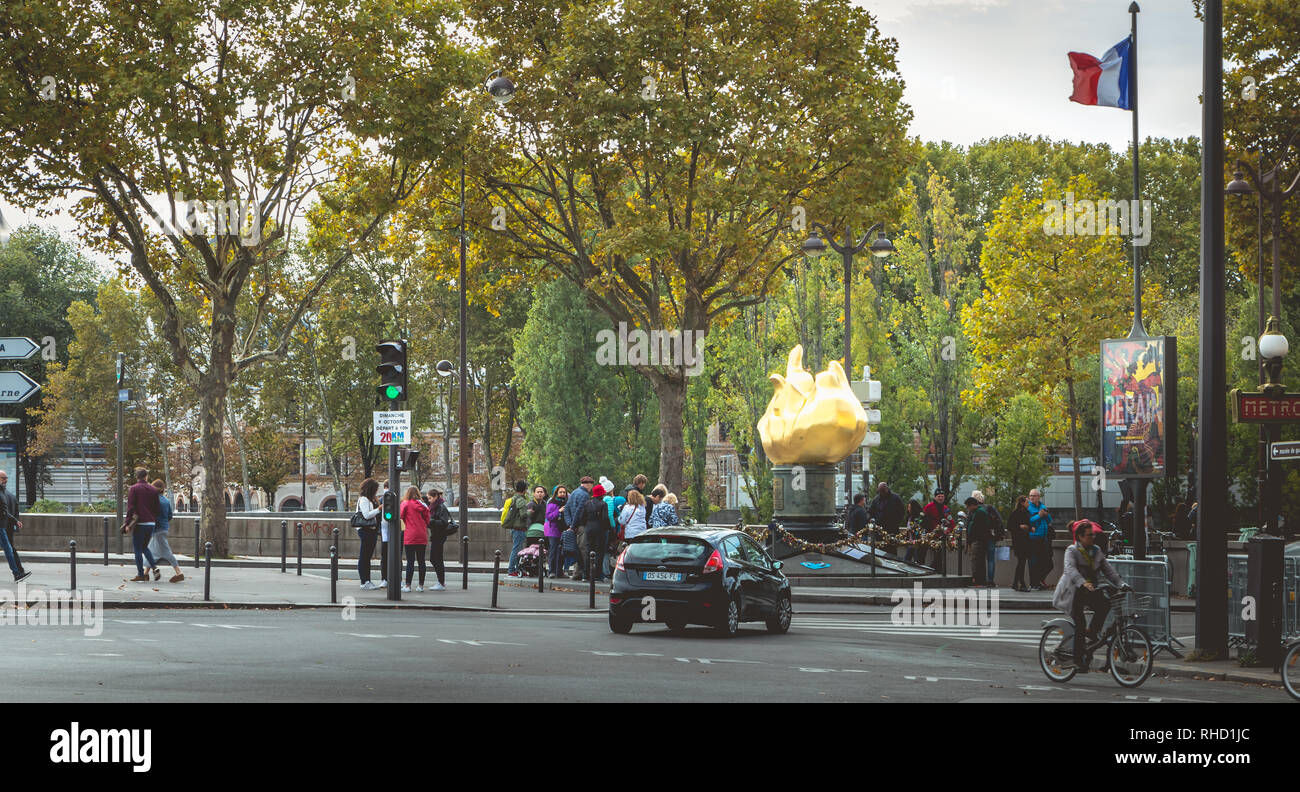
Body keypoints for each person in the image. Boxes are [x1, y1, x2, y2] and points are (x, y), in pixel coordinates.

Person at [1052, 520, 1129, 670]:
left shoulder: (1096, 550)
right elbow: (1070, 570)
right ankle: (1077, 660)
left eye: (1093, 534)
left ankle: (1092, 632)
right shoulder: (1072, 550)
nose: (1092, 537)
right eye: (1089, 535)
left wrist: (1121, 584)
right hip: (1073, 591)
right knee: (1080, 624)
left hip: (1090, 590)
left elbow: (1109, 571)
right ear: (1080, 537)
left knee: (1105, 604)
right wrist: (1082, 582)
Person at [124, 468, 159, 582]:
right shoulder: (153, 490)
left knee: (138, 549)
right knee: (144, 547)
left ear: (137, 477)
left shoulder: (134, 489)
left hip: (140, 523)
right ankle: (154, 567)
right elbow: (156, 507)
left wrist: (127, 523)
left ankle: (140, 574)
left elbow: (131, 508)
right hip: (151, 523)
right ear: (146, 476)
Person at [147, 479, 185, 583]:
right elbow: (170, 515)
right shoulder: (166, 500)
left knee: (166, 551)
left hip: (157, 529)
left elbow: (151, 515)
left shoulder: (154, 501)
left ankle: (179, 572)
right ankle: (146, 573)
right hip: (164, 528)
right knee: (151, 550)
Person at [0, 471, 31, 583]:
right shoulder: (5, 493)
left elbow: (5, 511)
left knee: (9, 549)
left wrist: (15, 521)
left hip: (4, 527)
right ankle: (17, 573)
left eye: (6, 478)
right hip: (2, 527)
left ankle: (18, 573)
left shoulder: (5, 493)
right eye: (4, 478)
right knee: (9, 550)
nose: (6, 480)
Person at [579, 484, 614, 582]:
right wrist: (608, 528)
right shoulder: (603, 504)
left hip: (589, 528)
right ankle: (597, 575)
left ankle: (585, 575)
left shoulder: (587, 503)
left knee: (588, 551)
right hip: (600, 529)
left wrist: (587, 524)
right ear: (602, 494)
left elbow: (582, 517)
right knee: (599, 552)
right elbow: (605, 518)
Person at [564, 476, 594, 580]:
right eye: (591, 485)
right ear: (588, 484)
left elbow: (566, 509)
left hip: (573, 526)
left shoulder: (573, 493)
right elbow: (579, 512)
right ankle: (586, 574)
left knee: (577, 550)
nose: (591, 488)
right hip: (580, 526)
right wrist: (573, 526)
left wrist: (569, 524)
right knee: (584, 550)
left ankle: (577, 572)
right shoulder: (585, 495)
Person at [400, 486, 429, 592]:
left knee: (410, 561)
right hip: (421, 535)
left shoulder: (405, 504)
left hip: (410, 535)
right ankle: (421, 585)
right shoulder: (423, 505)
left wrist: (404, 527)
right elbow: (428, 520)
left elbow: (401, 517)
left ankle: (408, 585)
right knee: (421, 561)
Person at [355, 478, 382, 589]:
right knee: (365, 556)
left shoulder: (370, 500)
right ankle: (364, 581)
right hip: (366, 530)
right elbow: (366, 515)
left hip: (371, 530)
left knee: (367, 556)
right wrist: (379, 509)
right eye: (375, 489)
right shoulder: (364, 500)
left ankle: (367, 580)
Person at [964, 496, 996, 587]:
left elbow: (975, 527)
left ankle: (978, 581)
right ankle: (981, 581)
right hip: (980, 540)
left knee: (976, 561)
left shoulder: (979, 513)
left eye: (968, 506)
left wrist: (971, 540)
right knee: (980, 561)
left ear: (972, 505)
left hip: (977, 540)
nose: (968, 509)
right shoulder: (980, 512)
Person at [971, 490, 999, 585]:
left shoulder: (974, 510)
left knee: (979, 560)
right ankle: (990, 580)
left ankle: (980, 580)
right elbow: (999, 520)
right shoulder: (990, 508)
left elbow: (970, 525)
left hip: (979, 538)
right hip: (991, 536)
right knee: (991, 559)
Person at [503, 480, 531, 577]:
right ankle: (511, 570)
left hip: (514, 528)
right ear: (524, 490)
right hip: (519, 529)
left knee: (518, 550)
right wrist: (529, 512)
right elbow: (523, 515)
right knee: (517, 550)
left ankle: (517, 569)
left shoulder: (514, 498)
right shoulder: (521, 500)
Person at [1027, 489, 1053, 589]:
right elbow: (1028, 520)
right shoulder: (1028, 507)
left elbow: (1049, 521)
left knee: (1048, 563)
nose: (1032, 497)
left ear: (1038, 497)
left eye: (1034, 495)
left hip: (1044, 538)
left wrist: (1046, 515)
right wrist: (1039, 515)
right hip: (1032, 538)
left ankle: (1039, 580)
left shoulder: (1043, 507)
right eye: (1030, 496)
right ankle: (1034, 584)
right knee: (1033, 562)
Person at [424, 488, 450, 591]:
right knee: (435, 558)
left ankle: (441, 582)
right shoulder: (436, 506)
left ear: (435, 497)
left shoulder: (440, 507)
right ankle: (441, 581)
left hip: (439, 535)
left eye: (430, 498)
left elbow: (444, 522)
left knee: (436, 558)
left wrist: (431, 522)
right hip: (436, 535)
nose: (429, 500)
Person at [1008, 495, 1032, 591]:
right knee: (1021, 562)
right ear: (1022, 503)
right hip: (1018, 541)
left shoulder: (1027, 513)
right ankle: (1022, 584)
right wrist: (1019, 527)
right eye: (1027, 502)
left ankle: (1015, 583)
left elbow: (1028, 525)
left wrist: (1029, 528)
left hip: (1025, 540)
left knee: (1021, 562)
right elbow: (1009, 526)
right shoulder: (1015, 513)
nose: (1028, 504)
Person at [920, 489, 949, 569]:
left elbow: (950, 521)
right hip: (928, 534)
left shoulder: (946, 508)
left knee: (940, 553)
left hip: (940, 535)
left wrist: (949, 530)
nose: (940, 498)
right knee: (922, 551)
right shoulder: (928, 507)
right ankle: (921, 566)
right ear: (935, 497)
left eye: (942, 496)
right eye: (939, 496)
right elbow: (922, 520)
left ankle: (936, 568)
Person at [545, 485, 569, 578]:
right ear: (557, 493)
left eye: (564, 492)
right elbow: (549, 516)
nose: (562, 494)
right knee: (553, 551)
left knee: (562, 552)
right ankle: (551, 571)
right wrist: (559, 511)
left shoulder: (566, 502)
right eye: (560, 492)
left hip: (563, 529)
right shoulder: (552, 503)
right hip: (553, 529)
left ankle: (559, 571)